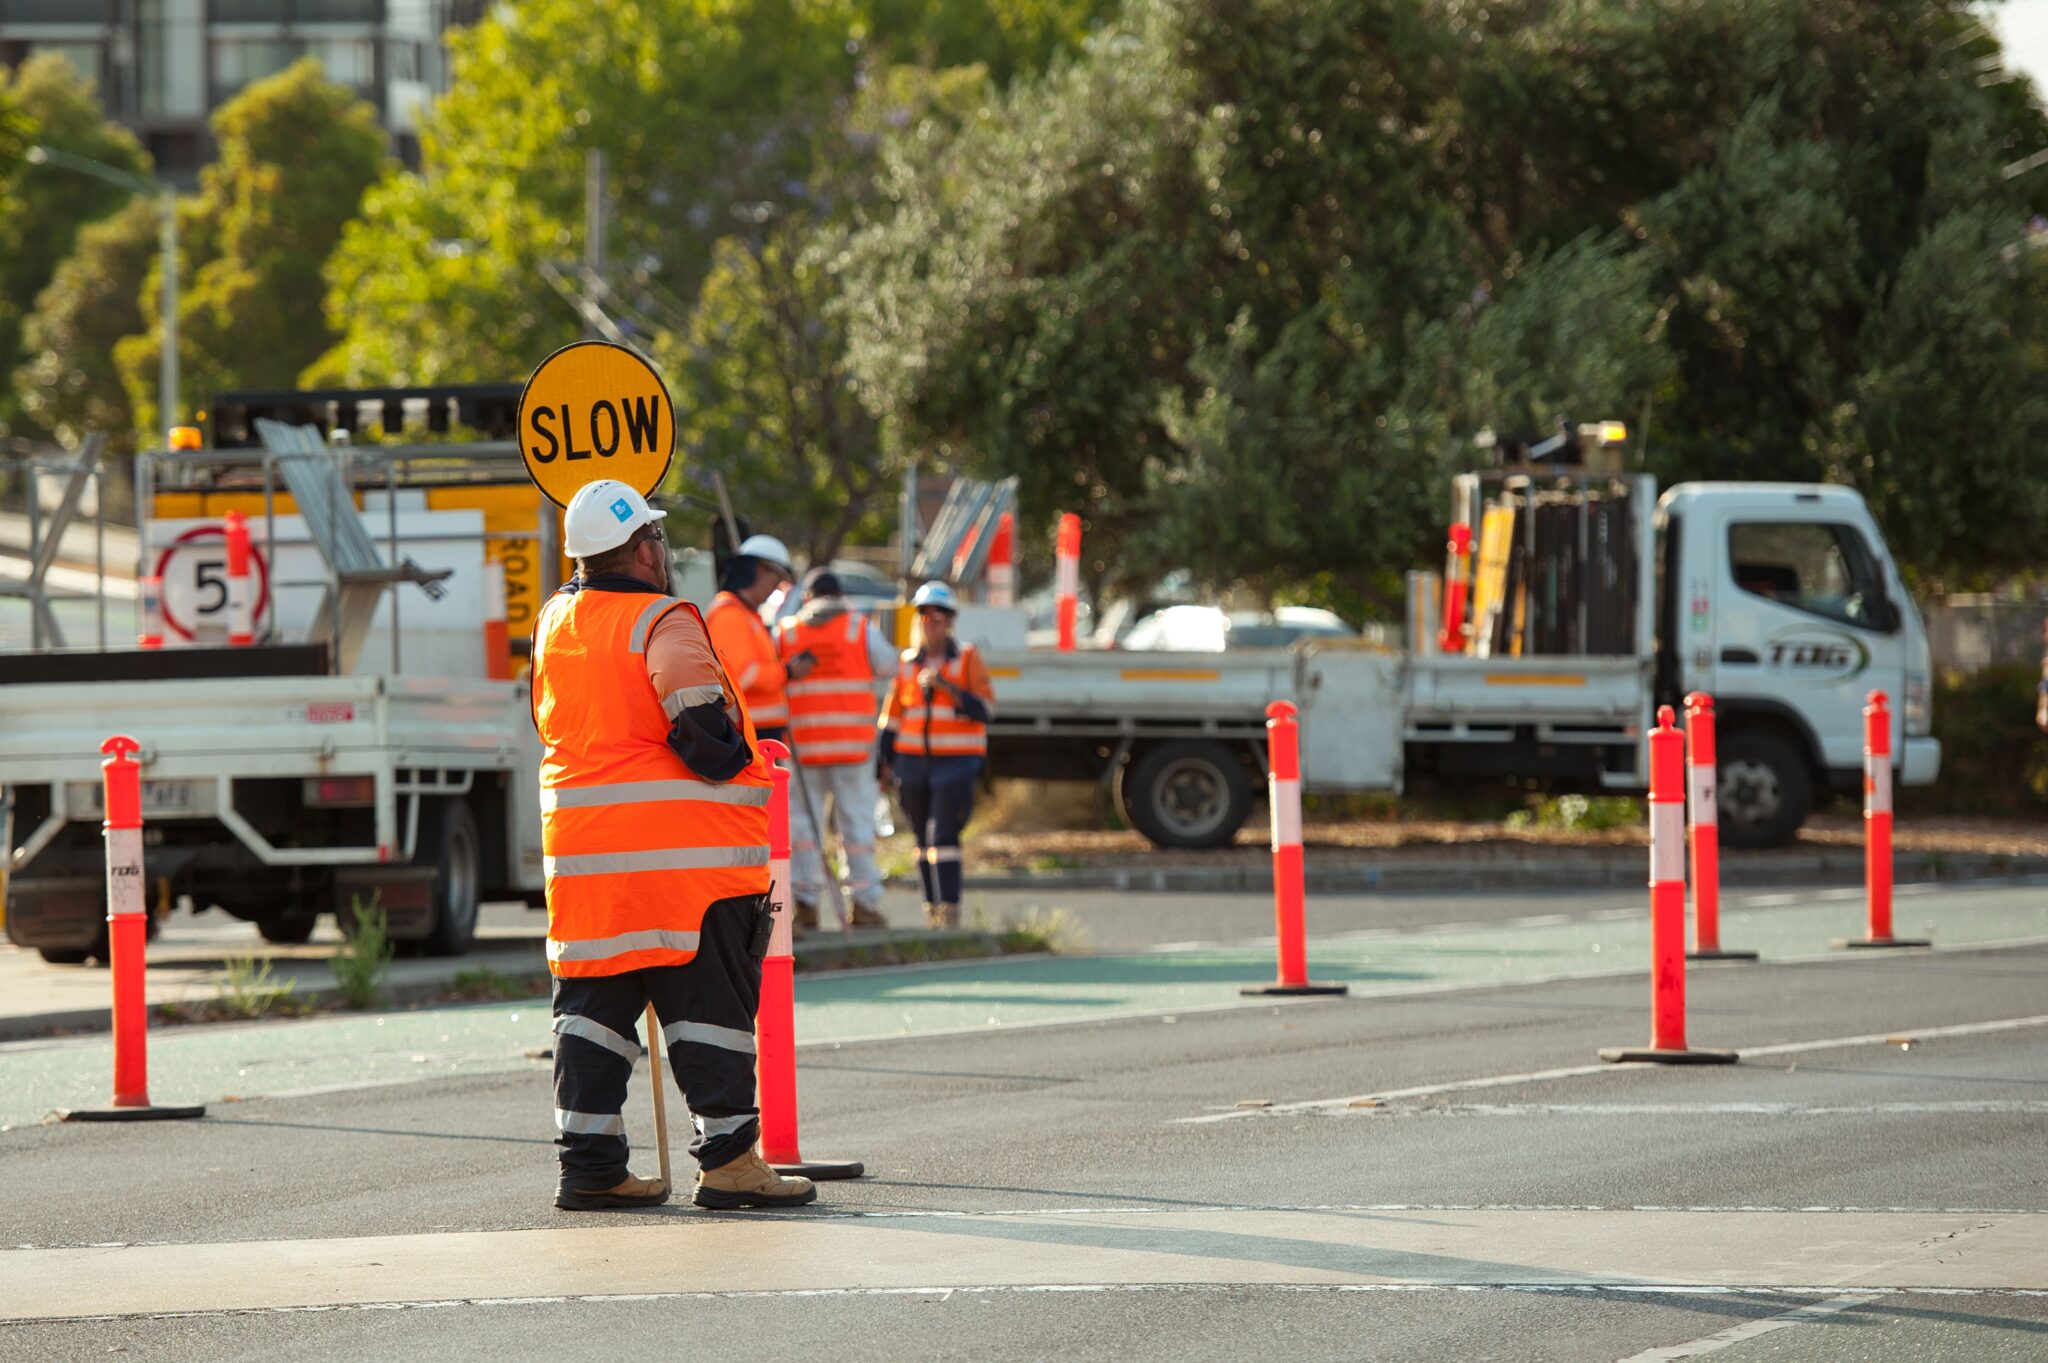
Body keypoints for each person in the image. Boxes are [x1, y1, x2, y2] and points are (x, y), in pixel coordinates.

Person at [531, 480, 815, 1213]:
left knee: (591, 1015)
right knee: (708, 1014)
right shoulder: (665, 619)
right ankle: (729, 1161)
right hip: (685, 871)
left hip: (585, 867)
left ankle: (590, 1166)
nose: (663, 548)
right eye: (655, 537)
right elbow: (707, 736)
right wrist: (737, 753)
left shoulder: (554, 621)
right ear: (641, 548)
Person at [776, 569, 899, 929]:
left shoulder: (787, 632)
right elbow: (889, 665)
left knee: (802, 830)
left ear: (808, 597)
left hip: (803, 750)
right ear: (841, 596)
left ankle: (805, 906)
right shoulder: (860, 629)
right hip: (852, 750)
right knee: (856, 829)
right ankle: (864, 906)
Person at [878, 581, 996, 929]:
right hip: (912, 764)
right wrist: (881, 767)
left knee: (942, 835)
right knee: (920, 839)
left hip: (956, 762)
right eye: (926, 616)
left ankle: (950, 912)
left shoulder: (968, 658)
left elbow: (986, 709)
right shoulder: (906, 664)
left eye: (940, 616)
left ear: (950, 621)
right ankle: (931, 910)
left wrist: (947, 687)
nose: (932, 622)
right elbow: (892, 719)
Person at [705, 533, 806, 747]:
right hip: (750, 733)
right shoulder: (730, 616)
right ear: (760, 570)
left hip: (757, 731)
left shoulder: (745, 615)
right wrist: (786, 671)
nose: (775, 587)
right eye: (775, 579)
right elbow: (743, 675)